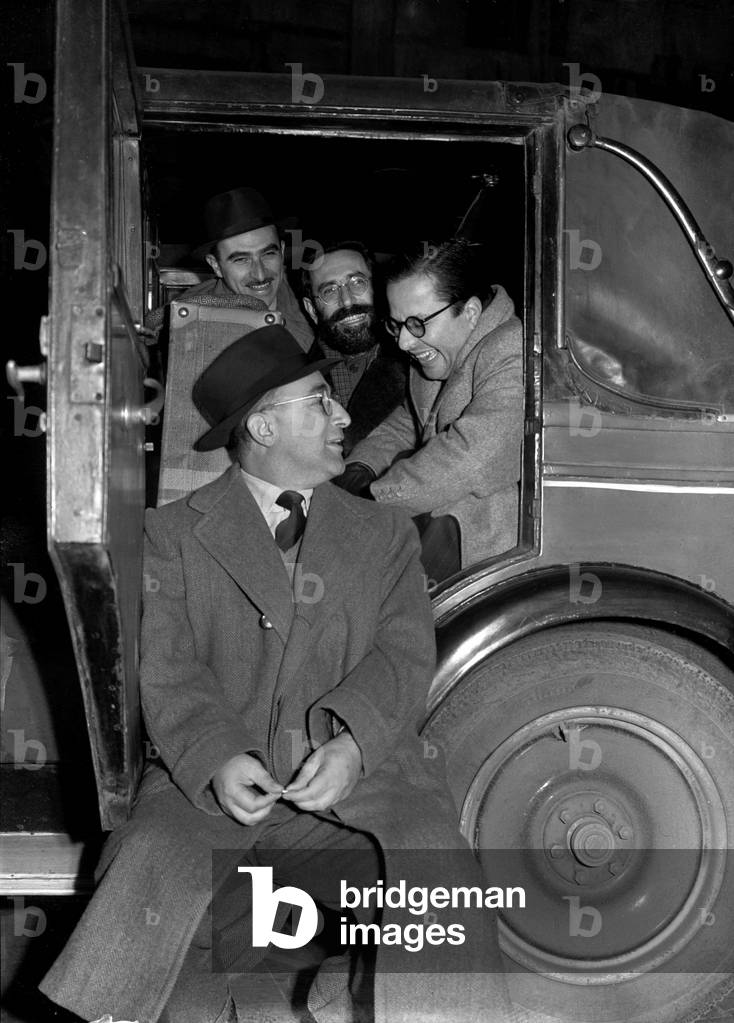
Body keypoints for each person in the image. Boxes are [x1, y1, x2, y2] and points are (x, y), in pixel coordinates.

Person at [39, 325, 512, 1023]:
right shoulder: (170, 535)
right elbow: (168, 670)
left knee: (437, 879)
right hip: (210, 789)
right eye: (321, 401)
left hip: (358, 791)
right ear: (263, 424)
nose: (345, 415)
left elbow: (405, 655)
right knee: (151, 881)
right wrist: (217, 757)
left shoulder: (384, 533)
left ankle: (366, 1000)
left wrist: (353, 746)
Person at [341, 238, 524, 582]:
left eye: (417, 324)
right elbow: (409, 421)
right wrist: (359, 468)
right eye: (396, 324)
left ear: (470, 312)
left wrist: (375, 496)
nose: (404, 342)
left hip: (480, 553)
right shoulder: (440, 347)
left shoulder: (512, 348)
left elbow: (473, 456)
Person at [146, 187, 314, 352]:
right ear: (216, 266)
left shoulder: (307, 296)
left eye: (268, 254)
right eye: (241, 260)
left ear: (282, 252)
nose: (260, 274)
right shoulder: (190, 324)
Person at [301, 241, 407, 454]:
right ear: (312, 309)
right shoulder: (296, 382)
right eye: (329, 291)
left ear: (378, 287)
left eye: (357, 282)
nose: (347, 301)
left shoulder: (418, 360)